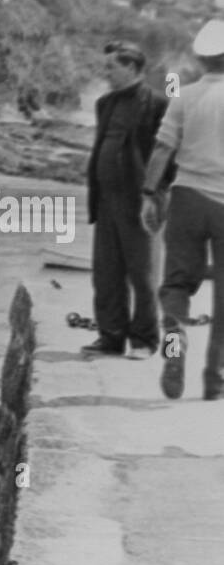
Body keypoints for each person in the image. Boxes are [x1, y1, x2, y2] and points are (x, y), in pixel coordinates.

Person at [142, 19, 224, 401]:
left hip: (187, 198)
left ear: (201, 59)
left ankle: (175, 343)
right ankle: (214, 381)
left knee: (176, 285)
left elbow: (162, 149)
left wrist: (149, 194)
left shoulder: (184, 96)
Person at [83, 40, 168, 359]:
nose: (105, 73)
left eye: (111, 67)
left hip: (140, 201)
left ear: (131, 67)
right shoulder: (104, 103)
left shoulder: (158, 103)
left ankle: (144, 340)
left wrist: (154, 195)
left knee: (143, 274)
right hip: (106, 200)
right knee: (106, 272)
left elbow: (169, 154)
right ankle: (111, 336)